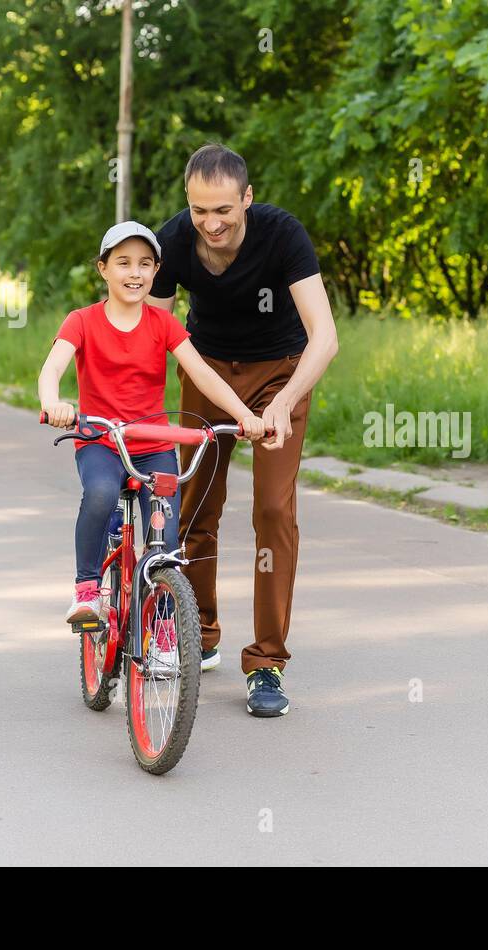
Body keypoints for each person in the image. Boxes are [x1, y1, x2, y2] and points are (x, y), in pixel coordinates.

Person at [146, 143, 339, 718]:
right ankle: (199, 633)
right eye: (200, 210)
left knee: (274, 511)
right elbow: (150, 334)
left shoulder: (282, 235)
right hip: (205, 373)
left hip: (279, 375)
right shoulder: (174, 240)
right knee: (196, 507)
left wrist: (284, 401)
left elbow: (324, 335)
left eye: (224, 210)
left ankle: (267, 662)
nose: (211, 223)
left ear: (247, 200)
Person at [37, 221, 267, 665]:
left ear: (157, 271)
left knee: (164, 536)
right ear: (103, 269)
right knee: (102, 492)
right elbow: (52, 370)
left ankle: (161, 633)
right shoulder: (81, 321)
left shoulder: (163, 324)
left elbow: (201, 373)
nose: (134, 273)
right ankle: (88, 591)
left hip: (153, 440)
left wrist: (244, 416)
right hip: (102, 440)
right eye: (123, 263)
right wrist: (55, 402)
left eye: (145, 264)